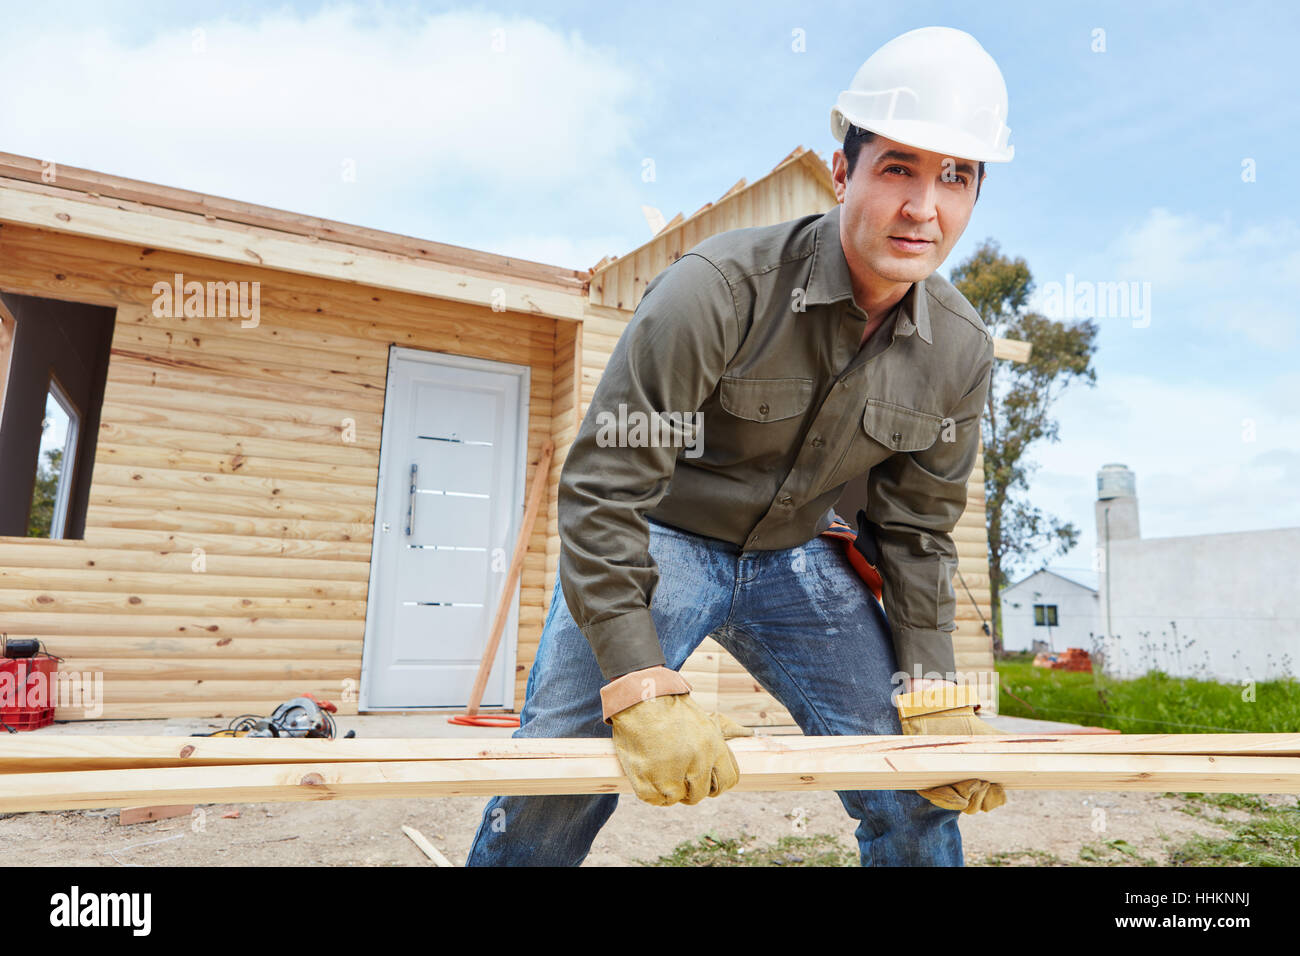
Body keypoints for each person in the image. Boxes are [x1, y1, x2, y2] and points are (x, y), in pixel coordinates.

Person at [466, 25, 1014, 867]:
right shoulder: (716, 291)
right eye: (898, 167)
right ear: (843, 171)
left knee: (914, 784)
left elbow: (918, 533)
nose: (923, 207)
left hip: (801, 558)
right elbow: (605, 492)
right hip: (661, 539)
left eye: (956, 178)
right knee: (558, 779)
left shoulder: (961, 352)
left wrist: (932, 682)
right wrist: (640, 686)